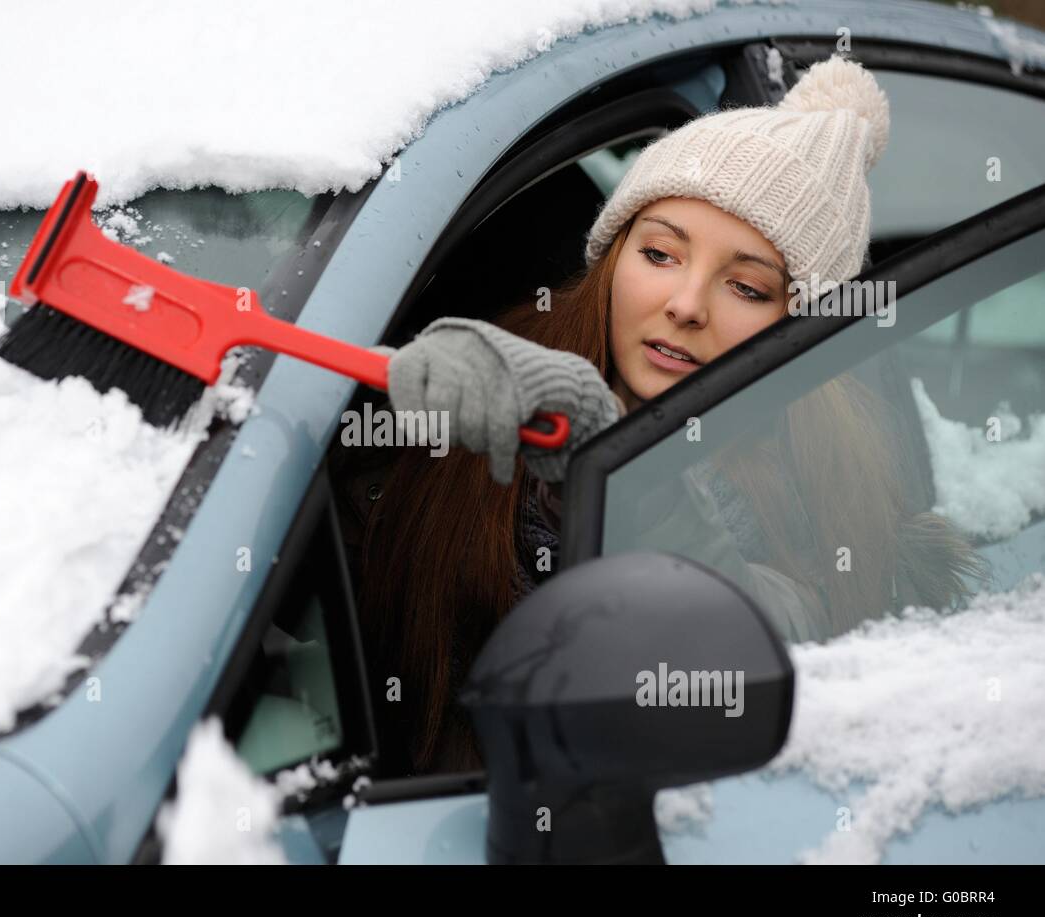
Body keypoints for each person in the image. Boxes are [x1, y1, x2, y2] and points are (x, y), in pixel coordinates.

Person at [332, 56, 986, 776]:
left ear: (801, 335)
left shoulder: (819, 499)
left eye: (745, 285)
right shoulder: (511, 362)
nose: (685, 303)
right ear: (613, 255)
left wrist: (606, 459)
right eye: (660, 252)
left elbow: (734, 634)